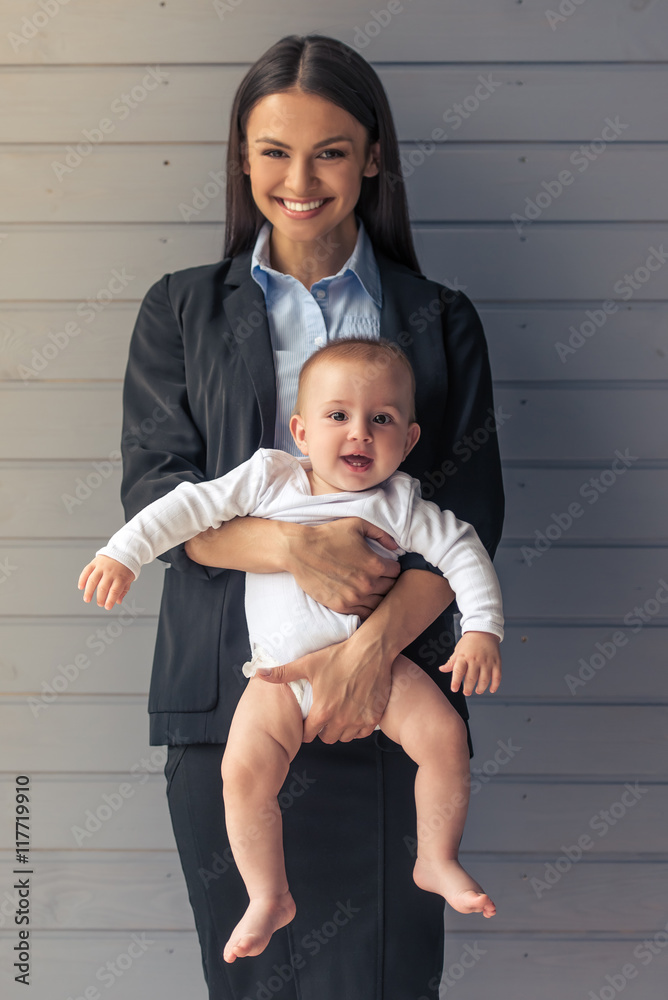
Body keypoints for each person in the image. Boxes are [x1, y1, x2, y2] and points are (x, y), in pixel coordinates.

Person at [113, 32, 505, 1000]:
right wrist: (298, 547)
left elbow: (468, 517)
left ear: (372, 157)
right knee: (250, 981)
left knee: (381, 980)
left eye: (330, 150)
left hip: (398, 693)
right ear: (241, 161)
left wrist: (367, 653)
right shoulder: (179, 312)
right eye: (273, 151)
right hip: (229, 698)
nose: (299, 178)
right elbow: (158, 500)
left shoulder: (437, 318)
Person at [79, 337, 504, 962]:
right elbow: (187, 506)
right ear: (301, 431)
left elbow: (464, 551)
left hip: (377, 665)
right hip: (276, 676)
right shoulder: (271, 479)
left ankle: (436, 860)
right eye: (338, 416)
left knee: (445, 741)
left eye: (381, 420)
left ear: (408, 440)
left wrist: (482, 630)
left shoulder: (402, 502)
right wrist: (124, 552)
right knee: (244, 774)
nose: (359, 434)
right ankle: (267, 894)